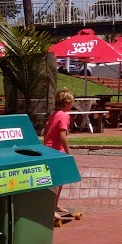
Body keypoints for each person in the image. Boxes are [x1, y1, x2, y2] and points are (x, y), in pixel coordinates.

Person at [44, 90, 77, 224]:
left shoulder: (54, 114)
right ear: (68, 103)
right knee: (56, 181)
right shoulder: (64, 116)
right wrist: (68, 153)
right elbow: (62, 136)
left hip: (48, 148)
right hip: (57, 150)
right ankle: (51, 208)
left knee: (58, 179)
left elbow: (46, 130)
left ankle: (55, 204)